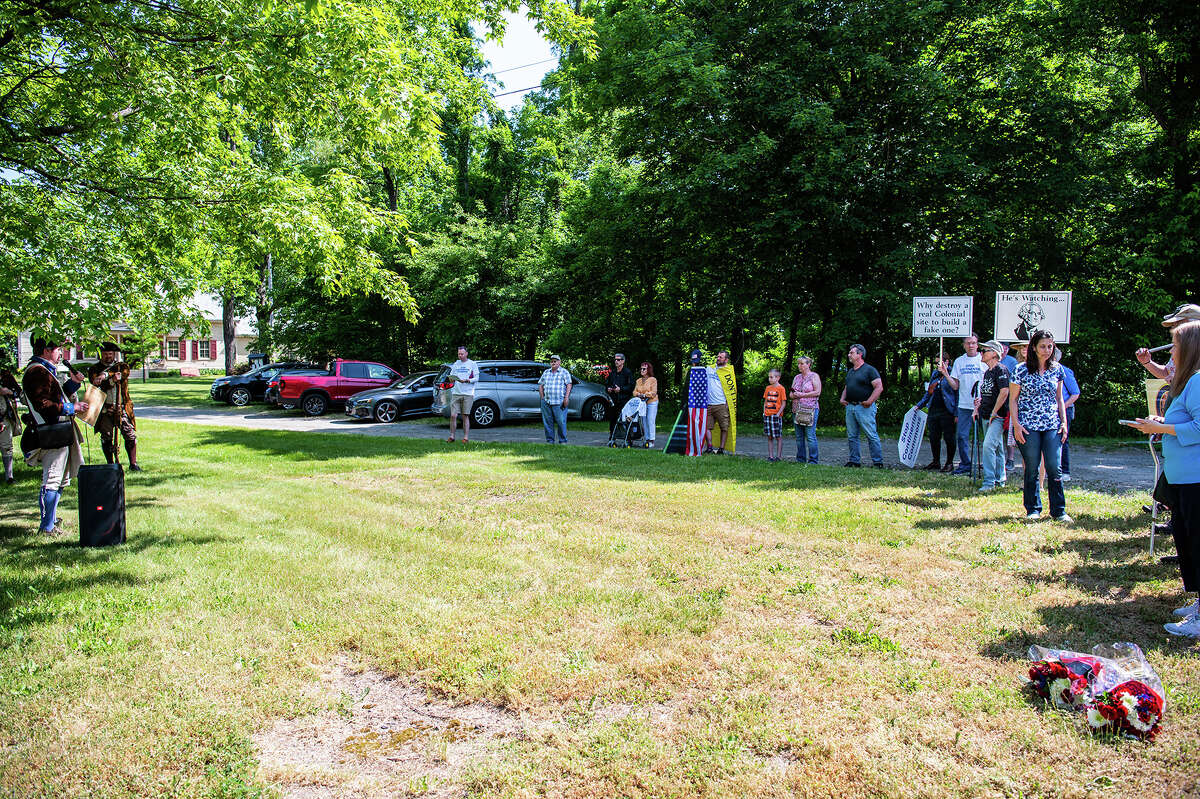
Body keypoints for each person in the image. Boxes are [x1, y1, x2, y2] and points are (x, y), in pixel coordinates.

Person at [1129, 321, 1200, 635]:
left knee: (1197, 542)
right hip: (1183, 477)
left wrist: (1161, 428)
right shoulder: (1187, 382)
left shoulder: (1197, 382)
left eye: (1174, 345)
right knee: (1186, 539)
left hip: (1195, 479)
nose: (1171, 351)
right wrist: (1159, 422)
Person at [22, 337, 89, 536]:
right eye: (58, 349)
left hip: (58, 431)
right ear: (45, 351)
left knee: (60, 479)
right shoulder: (36, 371)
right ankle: (46, 527)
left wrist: (73, 384)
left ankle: (50, 521)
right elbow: (43, 405)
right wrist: (72, 407)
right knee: (51, 479)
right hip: (50, 432)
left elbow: (56, 397)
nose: (61, 353)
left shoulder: (43, 370)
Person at [1008, 330, 1070, 522]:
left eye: (1050, 346)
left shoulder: (1057, 369)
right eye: (1043, 346)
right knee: (1032, 468)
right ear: (1033, 348)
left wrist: (1064, 421)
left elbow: (1059, 398)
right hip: (1028, 425)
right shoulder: (1021, 369)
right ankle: (1033, 509)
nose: (1047, 350)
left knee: (1054, 467)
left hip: (1052, 424)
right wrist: (1016, 425)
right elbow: (1013, 400)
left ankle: (1059, 511)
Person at [87, 342, 141, 470]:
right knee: (106, 436)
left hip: (122, 407)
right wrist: (111, 380)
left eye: (110, 354)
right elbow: (98, 385)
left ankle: (133, 464)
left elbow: (124, 374)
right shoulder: (94, 369)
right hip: (105, 408)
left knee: (130, 434)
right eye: (105, 354)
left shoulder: (121, 367)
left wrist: (106, 375)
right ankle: (110, 464)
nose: (108, 356)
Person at [942, 333, 983, 476]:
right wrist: (946, 374)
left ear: (977, 344)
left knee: (987, 435)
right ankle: (965, 464)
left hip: (983, 404)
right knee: (962, 436)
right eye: (968, 343)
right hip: (964, 405)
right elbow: (955, 386)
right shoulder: (960, 361)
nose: (971, 345)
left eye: (973, 343)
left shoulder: (983, 360)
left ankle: (989, 465)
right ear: (964, 345)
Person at [840, 344, 884, 468]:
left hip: (864, 407)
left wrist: (870, 401)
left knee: (871, 434)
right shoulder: (850, 371)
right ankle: (854, 461)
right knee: (852, 435)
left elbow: (879, 387)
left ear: (860, 354)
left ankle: (877, 462)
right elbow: (847, 387)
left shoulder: (869, 370)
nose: (849, 355)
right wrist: (842, 398)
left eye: (851, 353)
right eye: (849, 353)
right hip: (850, 407)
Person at [975, 340, 1011, 491]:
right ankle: (1000, 479)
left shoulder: (1001, 370)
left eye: (985, 350)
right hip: (986, 413)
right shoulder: (988, 372)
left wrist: (994, 412)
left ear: (994, 354)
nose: (981, 353)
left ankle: (989, 482)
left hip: (997, 416)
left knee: (988, 445)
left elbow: (1004, 392)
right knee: (997, 448)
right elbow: (990, 392)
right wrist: (979, 404)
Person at [1136, 303, 1200, 380]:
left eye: (1178, 323)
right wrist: (1147, 362)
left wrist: (1181, 379)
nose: (1173, 328)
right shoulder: (1179, 348)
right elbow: (1167, 372)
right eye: (1173, 325)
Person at [915, 357, 956, 471]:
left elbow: (957, 392)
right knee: (934, 437)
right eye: (936, 362)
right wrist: (919, 405)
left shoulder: (953, 372)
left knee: (949, 437)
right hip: (934, 409)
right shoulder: (935, 374)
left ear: (947, 361)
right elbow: (928, 392)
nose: (937, 365)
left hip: (947, 410)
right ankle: (936, 461)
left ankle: (949, 463)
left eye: (940, 362)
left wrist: (956, 413)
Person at [789, 356, 821, 464]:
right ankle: (800, 459)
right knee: (799, 436)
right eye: (798, 363)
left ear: (808, 365)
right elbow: (790, 394)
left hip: (810, 409)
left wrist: (802, 395)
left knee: (810, 435)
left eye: (802, 363)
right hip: (796, 409)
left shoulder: (814, 376)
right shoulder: (796, 377)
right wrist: (795, 395)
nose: (799, 366)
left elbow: (817, 392)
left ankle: (813, 460)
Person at [1055, 348, 1080, 481]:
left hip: (1065, 409)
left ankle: (1065, 471)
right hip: (1052, 410)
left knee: (1063, 439)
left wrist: (1061, 408)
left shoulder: (1064, 371)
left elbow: (1075, 393)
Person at [445, 345, 479, 443]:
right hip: (456, 393)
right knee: (453, 415)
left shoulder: (472, 364)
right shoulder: (456, 364)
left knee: (465, 416)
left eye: (462, 354)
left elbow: (476, 378)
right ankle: (452, 436)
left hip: (468, 393)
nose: (460, 355)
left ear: (466, 354)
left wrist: (468, 380)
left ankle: (466, 438)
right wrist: (451, 379)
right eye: (459, 354)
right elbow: (451, 376)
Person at [538, 354, 572, 444]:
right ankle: (550, 441)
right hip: (547, 401)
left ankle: (563, 441)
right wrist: (542, 398)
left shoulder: (564, 372)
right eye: (552, 361)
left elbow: (569, 384)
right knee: (548, 422)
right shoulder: (546, 372)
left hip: (559, 402)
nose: (553, 363)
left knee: (561, 422)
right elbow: (540, 384)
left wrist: (566, 398)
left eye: (555, 361)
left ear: (559, 362)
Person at [704, 350, 733, 454]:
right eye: (718, 356)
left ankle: (721, 449)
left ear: (726, 360)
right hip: (709, 404)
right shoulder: (709, 369)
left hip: (721, 404)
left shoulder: (728, 372)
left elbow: (731, 389)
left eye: (721, 357)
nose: (718, 358)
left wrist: (728, 403)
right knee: (707, 426)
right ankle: (710, 447)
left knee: (724, 427)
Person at [1004, 343, 1026, 470]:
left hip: (1034, 412)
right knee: (1024, 448)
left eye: (1027, 347)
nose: (1024, 350)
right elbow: (1013, 395)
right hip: (1017, 407)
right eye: (1022, 347)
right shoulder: (1017, 367)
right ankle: (1028, 480)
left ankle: (1038, 483)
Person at [1, 359, 21, 484]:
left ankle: (9, 476)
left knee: (6, 446)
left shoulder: (6, 375)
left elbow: (18, 392)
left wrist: (8, 392)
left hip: (4, 417)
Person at [604, 353, 634, 434]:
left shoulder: (627, 372)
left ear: (623, 361)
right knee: (613, 419)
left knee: (625, 419)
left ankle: (628, 438)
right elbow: (607, 384)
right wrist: (609, 389)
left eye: (618, 359)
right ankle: (612, 437)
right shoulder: (612, 372)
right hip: (614, 400)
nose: (616, 361)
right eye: (615, 360)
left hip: (624, 400)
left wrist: (620, 389)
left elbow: (631, 386)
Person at [762, 368, 787, 462]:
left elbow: (784, 403)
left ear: (778, 378)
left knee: (778, 436)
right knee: (769, 436)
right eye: (769, 377)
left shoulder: (781, 388)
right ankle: (770, 456)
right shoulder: (768, 388)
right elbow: (765, 401)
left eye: (771, 377)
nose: (770, 379)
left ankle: (779, 456)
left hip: (776, 416)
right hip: (767, 415)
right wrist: (764, 411)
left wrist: (778, 414)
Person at [633, 362, 658, 448]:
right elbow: (634, 392)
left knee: (650, 420)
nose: (642, 370)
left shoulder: (653, 380)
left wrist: (645, 394)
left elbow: (653, 393)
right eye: (641, 369)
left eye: (644, 369)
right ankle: (646, 440)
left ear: (648, 370)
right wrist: (638, 394)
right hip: (642, 403)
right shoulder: (638, 380)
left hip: (652, 402)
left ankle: (652, 440)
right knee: (643, 421)